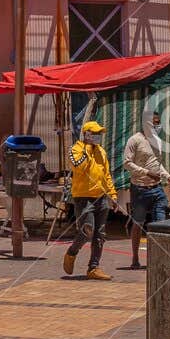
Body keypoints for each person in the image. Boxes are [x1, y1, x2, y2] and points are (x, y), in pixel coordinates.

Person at [63, 119, 117, 280]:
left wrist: (112, 194)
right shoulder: (76, 150)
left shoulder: (101, 151)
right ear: (87, 134)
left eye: (100, 133)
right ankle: (72, 252)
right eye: (96, 133)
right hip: (83, 198)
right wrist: (87, 148)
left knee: (100, 233)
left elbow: (106, 174)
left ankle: (94, 267)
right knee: (87, 229)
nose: (99, 136)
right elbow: (79, 167)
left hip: (101, 197)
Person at [123, 109, 170, 269]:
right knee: (138, 224)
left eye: (159, 122)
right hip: (139, 189)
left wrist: (168, 177)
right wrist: (147, 173)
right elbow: (127, 163)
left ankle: (158, 259)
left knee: (160, 224)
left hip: (157, 189)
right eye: (155, 122)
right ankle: (135, 257)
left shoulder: (157, 141)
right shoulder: (134, 140)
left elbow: (157, 165)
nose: (157, 125)